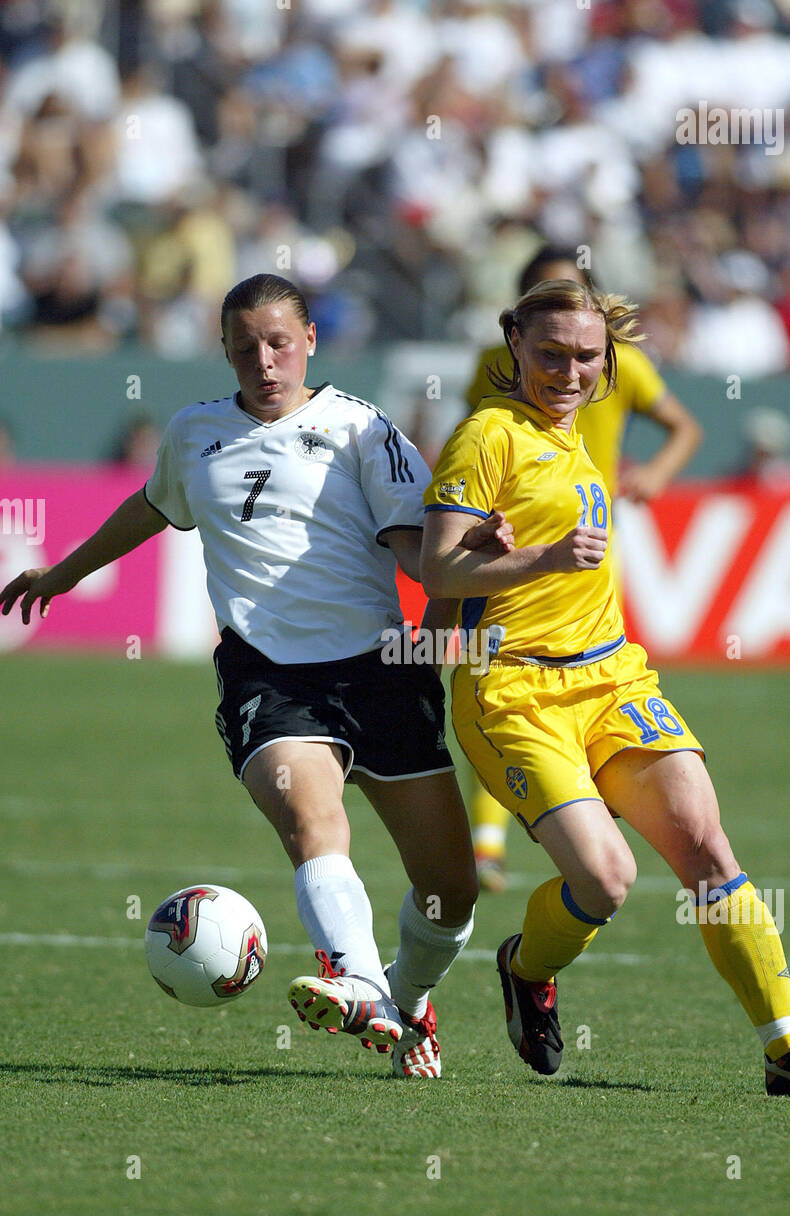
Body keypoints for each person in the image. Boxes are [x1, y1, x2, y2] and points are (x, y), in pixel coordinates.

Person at [0, 272, 512, 1080]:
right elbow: (150, 505)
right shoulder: (194, 431)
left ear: (309, 341)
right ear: (226, 353)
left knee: (450, 892)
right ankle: (356, 977)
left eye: (278, 343)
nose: (264, 362)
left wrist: (473, 557)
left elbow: (416, 552)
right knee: (313, 821)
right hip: (267, 678)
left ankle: (407, 1001)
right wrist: (61, 574)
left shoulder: (362, 432)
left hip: (380, 671)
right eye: (245, 349)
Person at [420, 277, 790, 1098]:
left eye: (587, 357)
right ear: (513, 341)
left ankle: (786, 1048)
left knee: (705, 846)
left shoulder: (583, 425)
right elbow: (434, 563)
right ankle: (524, 967)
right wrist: (536, 559)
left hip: (612, 675)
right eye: (550, 354)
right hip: (512, 689)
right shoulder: (485, 435)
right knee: (605, 879)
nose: (569, 372)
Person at [465, 245, 703, 891]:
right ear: (518, 331)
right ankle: (488, 841)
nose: (567, 362)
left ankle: (586, 805)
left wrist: (653, 471)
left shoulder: (621, 362)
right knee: (499, 676)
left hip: (591, 546)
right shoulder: (492, 374)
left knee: (583, 675)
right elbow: (475, 450)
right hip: (512, 546)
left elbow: (682, 426)